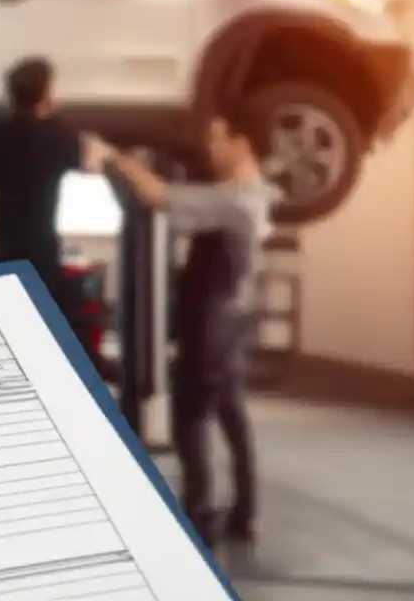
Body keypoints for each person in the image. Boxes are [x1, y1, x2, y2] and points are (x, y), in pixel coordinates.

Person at [92, 103, 280, 546]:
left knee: (190, 418)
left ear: (242, 144)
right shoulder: (253, 194)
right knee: (231, 414)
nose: (209, 149)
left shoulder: (238, 198)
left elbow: (161, 196)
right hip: (231, 322)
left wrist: (113, 156)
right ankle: (245, 512)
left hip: (211, 326)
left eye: (218, 139)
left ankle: (199, 518)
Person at [0, 56, 108, 305]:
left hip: (2, 249)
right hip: (40, 254)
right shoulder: (58, 136)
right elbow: (94, 163)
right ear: (46, 93)